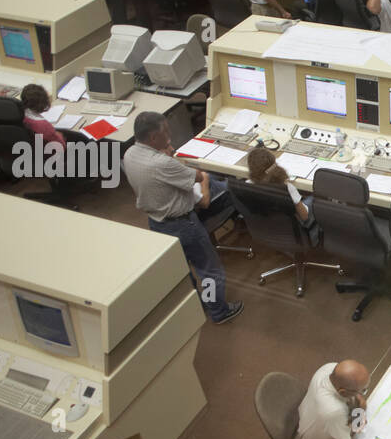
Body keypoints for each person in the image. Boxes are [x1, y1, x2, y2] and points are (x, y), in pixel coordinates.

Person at [123, 111, 243, 325]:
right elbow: (199, 179)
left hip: (157, 222)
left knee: (183, 270)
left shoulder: (131, 153)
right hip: (184, 223)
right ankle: (218, 311)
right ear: (153, 138)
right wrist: (204, 177)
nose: (169, 136)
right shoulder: (161, 163)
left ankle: (196, 304)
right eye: (165, 132)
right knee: (209, 270)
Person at [294, 359, 370, 439]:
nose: (362, 395)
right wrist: (361, 411)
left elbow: (354, 395)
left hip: (309, 424)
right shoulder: (334, 410)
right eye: (363, 390)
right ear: (342, 391)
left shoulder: (330, 368)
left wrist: (358, 395)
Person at [246, 146, 310, 223]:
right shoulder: (287, 188)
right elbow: (305, 217)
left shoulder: (247, 185)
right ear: (275, 162)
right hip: (291, 228)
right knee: (312, 199)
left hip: (263, 227)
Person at [18, 84, 65, 149]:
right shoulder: (44, 126)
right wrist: (59, 136)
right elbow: (61, 146)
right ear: (43, 103)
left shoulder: (18, 115)